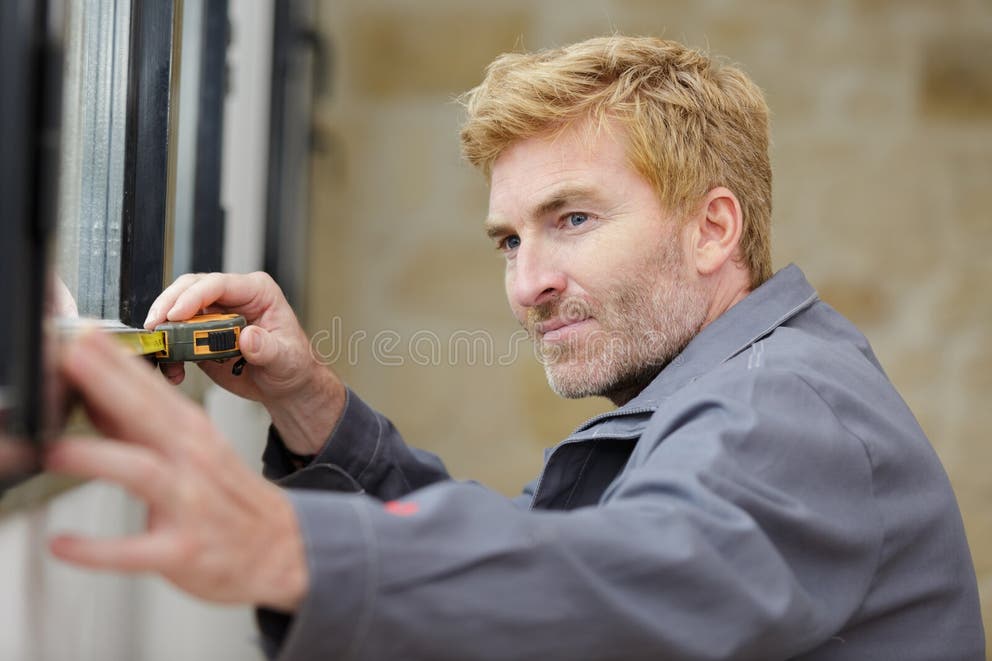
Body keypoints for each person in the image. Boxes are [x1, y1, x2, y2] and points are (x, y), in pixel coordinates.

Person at [49, 36, 984, 660]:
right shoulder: (726, 387)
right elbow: (540, 558)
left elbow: (614, 591)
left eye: (571, 218)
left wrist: (293, 544)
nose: (526, 282)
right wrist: (312, 406)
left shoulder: (778, 411)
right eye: (509, 239)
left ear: (713, 230)